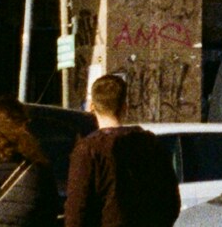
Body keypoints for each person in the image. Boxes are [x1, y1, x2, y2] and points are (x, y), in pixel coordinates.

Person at [62, 74, 179, 227]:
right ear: (125, 107)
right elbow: (171, 202)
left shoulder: (88, 151)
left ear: (92, 107)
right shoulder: (151, 144)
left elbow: (76, 211)